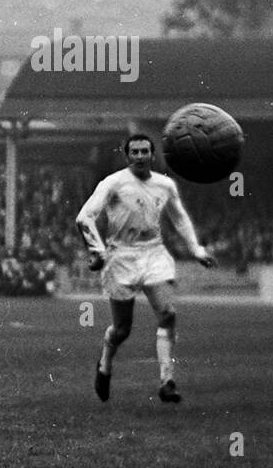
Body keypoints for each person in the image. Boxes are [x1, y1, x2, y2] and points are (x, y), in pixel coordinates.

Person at [75, 134, 214, 404]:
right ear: (127, 156)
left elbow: (180, 217)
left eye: (145, 151)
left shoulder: (165, 185)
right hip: (121, 256)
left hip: (154, 253)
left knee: (167, 313)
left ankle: (167, 381)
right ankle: (104, 365)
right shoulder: (114, 183)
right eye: (135, 152)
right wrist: (98, 250)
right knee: (122, 329)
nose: (140, 156)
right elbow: (84, 217)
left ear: (153, 155)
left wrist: (196, 249)